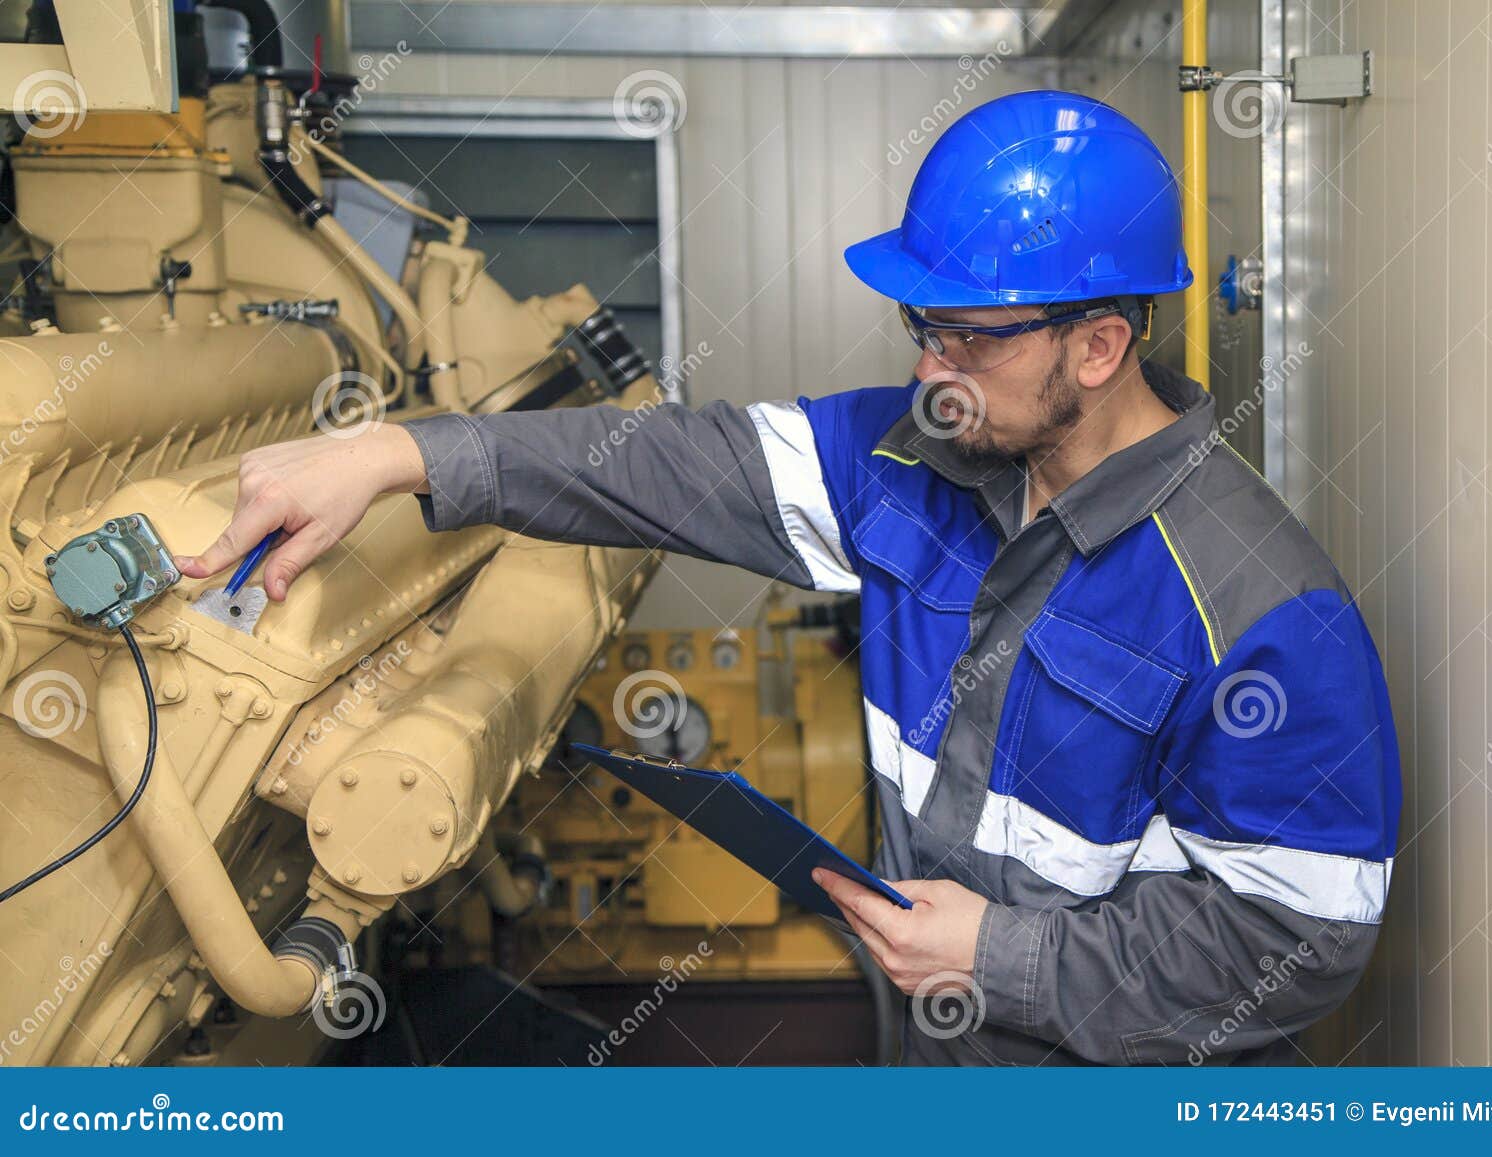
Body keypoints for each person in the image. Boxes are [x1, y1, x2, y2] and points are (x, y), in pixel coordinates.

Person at [177, 90, 1399, 1065]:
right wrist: (398, 453)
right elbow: (660, 464)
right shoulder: (917, 455)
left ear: (1098, 343)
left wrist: (1005, 958)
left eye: (969, 334)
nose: (931, 364)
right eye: (920, 326)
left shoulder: (1264, 606)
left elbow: (1301, 939)